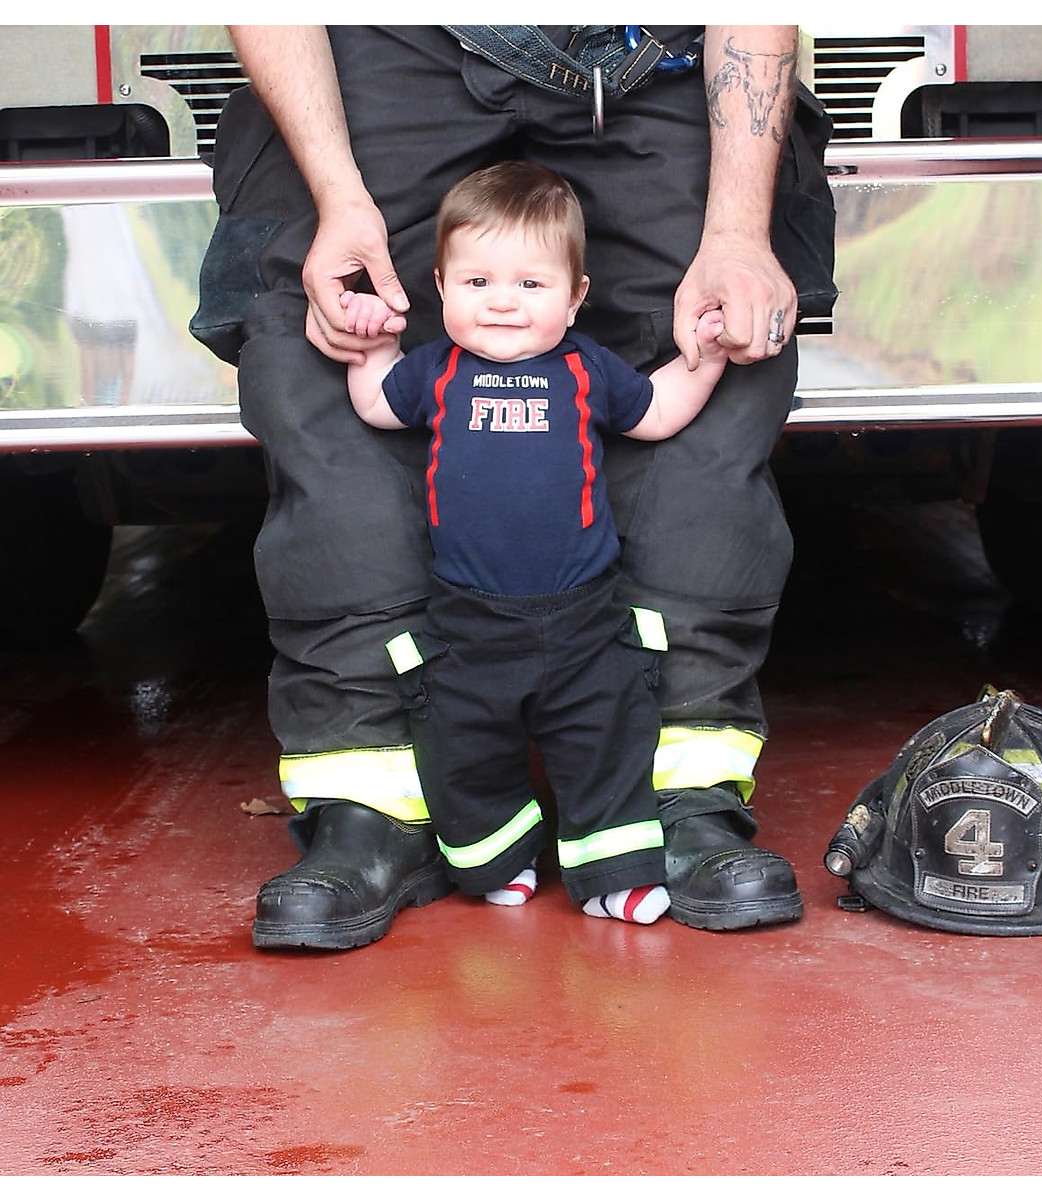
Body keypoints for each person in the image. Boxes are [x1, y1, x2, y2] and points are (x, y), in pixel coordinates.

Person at [193, 25, 836, 949]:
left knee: (718, 316)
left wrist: (735, 231)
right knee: (321, 312)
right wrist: (338, 195)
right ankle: (372, 799)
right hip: (381, 37)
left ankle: (676, 783)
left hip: (656, 46)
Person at [343, 160, 731, 925]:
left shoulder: (585, 368)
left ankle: (613, 871)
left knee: (604, 737)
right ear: (442, 288)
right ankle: (497, 858)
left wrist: (706, 361)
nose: (502, 304)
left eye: (530, 285)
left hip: (584, 617)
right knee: (465, 746)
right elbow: (377, 407)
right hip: (467, 620)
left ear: (576, 297)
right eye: (477, 282)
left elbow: (654, 412)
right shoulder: (435, 371)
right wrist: (371, 349)